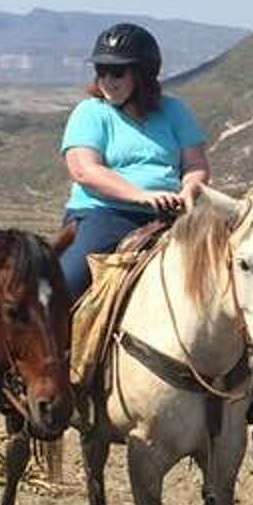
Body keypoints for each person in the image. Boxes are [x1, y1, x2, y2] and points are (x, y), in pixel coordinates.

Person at [57, 22, 209, 300]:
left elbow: (195, 164)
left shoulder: (175, 110)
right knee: (66, 285)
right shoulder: (90, 112)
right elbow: (84, 169)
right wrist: (141, 196)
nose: (107, 80)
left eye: (117, 71)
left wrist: (189, 191)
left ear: (142, 74)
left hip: (172, 213)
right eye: (100, 70)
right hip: (104, 213)